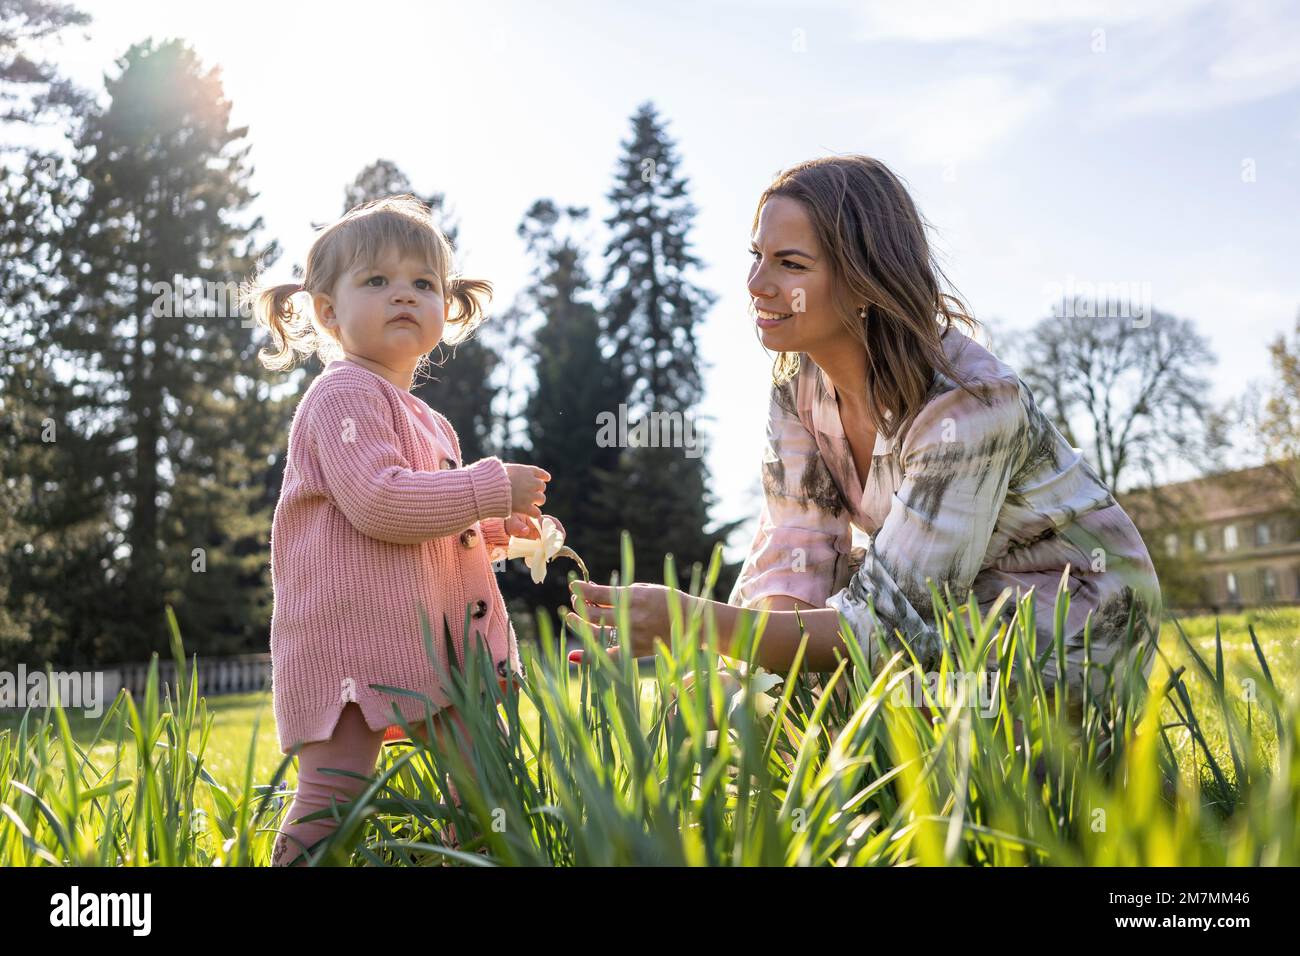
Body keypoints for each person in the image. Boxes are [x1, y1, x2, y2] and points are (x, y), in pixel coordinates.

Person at [566, 156, 1161, 725]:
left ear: (866, 282)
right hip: (950, 603)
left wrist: (695, 622)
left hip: (1073, 614)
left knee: (892, 687)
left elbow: (888, 626)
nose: (756, 283)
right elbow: (796, 559)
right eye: (757, 256)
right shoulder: (797, 388)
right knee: (731, 698)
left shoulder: (971, 403)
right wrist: (752, 683)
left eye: (790, 264)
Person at [249, 195, 563, 866]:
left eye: (423, 284)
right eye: (377, 281)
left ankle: (470, 858)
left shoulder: (428, 420)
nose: (403, 295)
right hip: (349, 646)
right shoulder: (341, 396)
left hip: (434, 641)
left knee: (484, 784)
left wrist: (498, 527)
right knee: (334, 792)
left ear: (446, 310)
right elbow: (379, 504)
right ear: (328, 312)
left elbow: (432, 521)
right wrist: (485, 487)